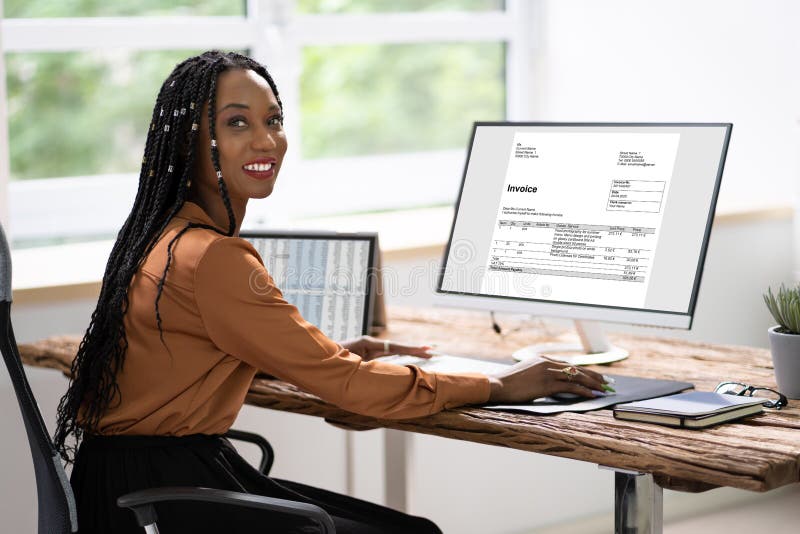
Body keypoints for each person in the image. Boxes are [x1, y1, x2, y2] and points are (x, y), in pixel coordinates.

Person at [53, 50, 608, 534]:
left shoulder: (162, 237)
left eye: (273, 119)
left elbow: (184, 354)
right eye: (237, 123)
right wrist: (498, 383)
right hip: (169, 494)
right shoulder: (214, 257)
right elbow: (354, 389)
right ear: (192, 138)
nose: (265, 139)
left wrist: (320, 353)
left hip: (120, 484)